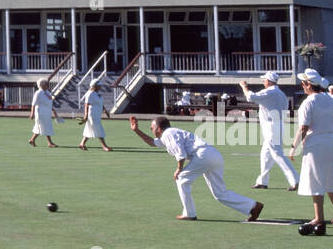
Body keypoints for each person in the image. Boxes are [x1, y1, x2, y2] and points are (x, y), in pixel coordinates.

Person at [129, 114, 263, 222]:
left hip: (202, 155)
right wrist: (136, 131)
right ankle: (253, 206)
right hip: (212, 155)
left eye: (151, 128)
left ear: (158, 128)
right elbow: (153, 143)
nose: (151, 130)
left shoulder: (168, 133)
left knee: (181, 179)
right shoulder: (168, 135)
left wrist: (179, 168)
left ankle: (189, 213)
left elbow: (180, 152)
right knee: (220, 193)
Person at [288, 69, 333, 230]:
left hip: (315, 144)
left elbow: (303, 128)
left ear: (308, 85)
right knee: (329, 179)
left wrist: (294, 147)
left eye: (303, 83)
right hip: (329, 142)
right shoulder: (329, 99)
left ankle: (319, 218)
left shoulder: (308, 102)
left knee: (315, 180)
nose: (302, 86)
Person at [238, 71, 298, 191]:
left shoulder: (270, 91)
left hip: (272, 126)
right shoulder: (279, 93)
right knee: (265, 154)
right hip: (276, 125)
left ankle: (296, 180)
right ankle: (262, 181)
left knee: (277, 154)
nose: (263, 81)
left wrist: (244, 86)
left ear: (269, 81)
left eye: (264, 80)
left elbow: (250, 97)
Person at [79, 82, 112, 152]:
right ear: (94, 86)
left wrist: (105, 110)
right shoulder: (89, 93)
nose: (100, 87)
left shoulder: (96, 93)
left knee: (90, 129)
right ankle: (104, 146)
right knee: (99, 129)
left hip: (97, 114)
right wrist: (85, 115)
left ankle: (82, 144)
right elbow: (86, 105)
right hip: (92, 115)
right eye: (99, 86)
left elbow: (100, 103)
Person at [29, 79, 57, 147]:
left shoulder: (47, 92)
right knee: (42, 126)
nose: (48, 85)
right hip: (40, 112)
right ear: (42, 85)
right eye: (46, 84)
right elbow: (33, 104)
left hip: (47, 112)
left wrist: (53, 110)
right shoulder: (38, 93)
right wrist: (32, 113)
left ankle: (32, 140)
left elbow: (49, 102)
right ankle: (50, 143)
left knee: (43, 127)